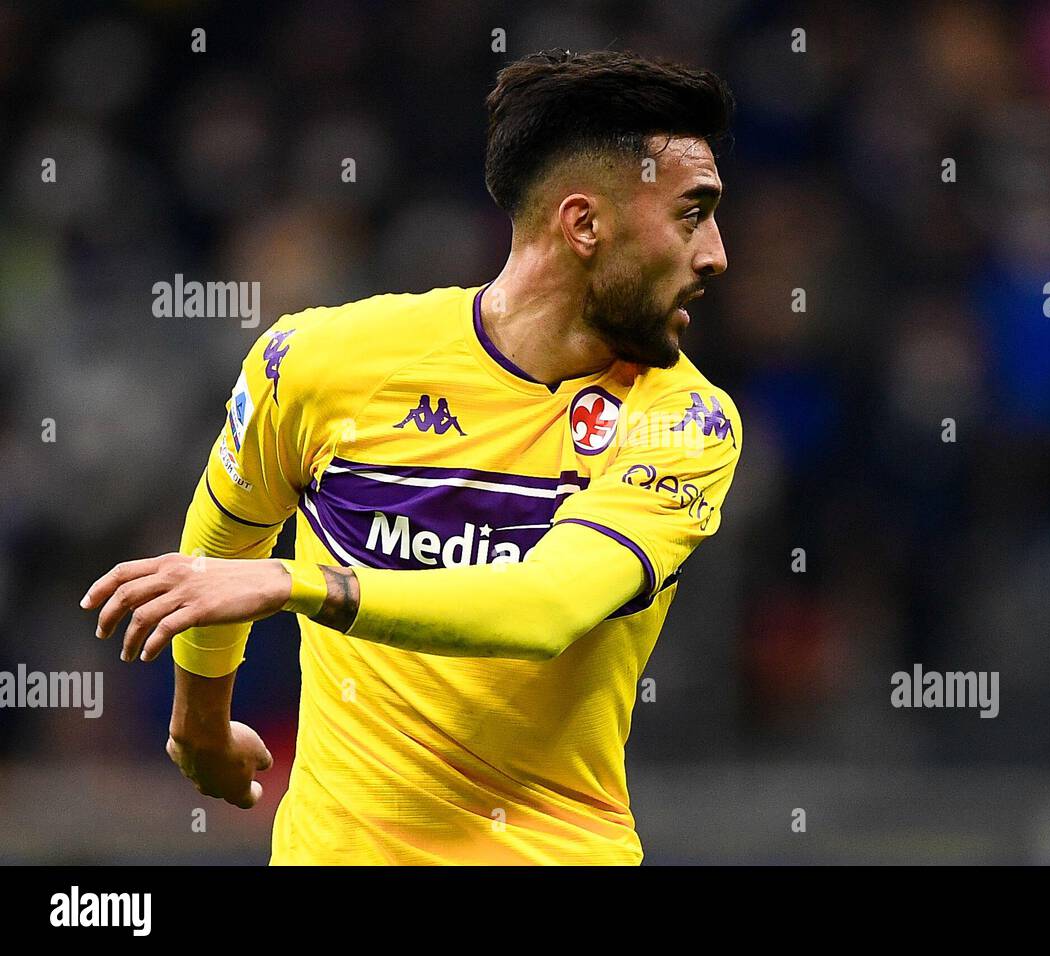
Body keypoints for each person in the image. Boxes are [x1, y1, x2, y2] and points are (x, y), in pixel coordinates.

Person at [80, 48, 742, 865]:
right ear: (583, 224)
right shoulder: (319, 361)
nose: (715, 253)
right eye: (691, 214)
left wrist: (301, 582)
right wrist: (200, 723)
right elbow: (227, 536)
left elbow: (546, 605)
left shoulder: (685, 422)